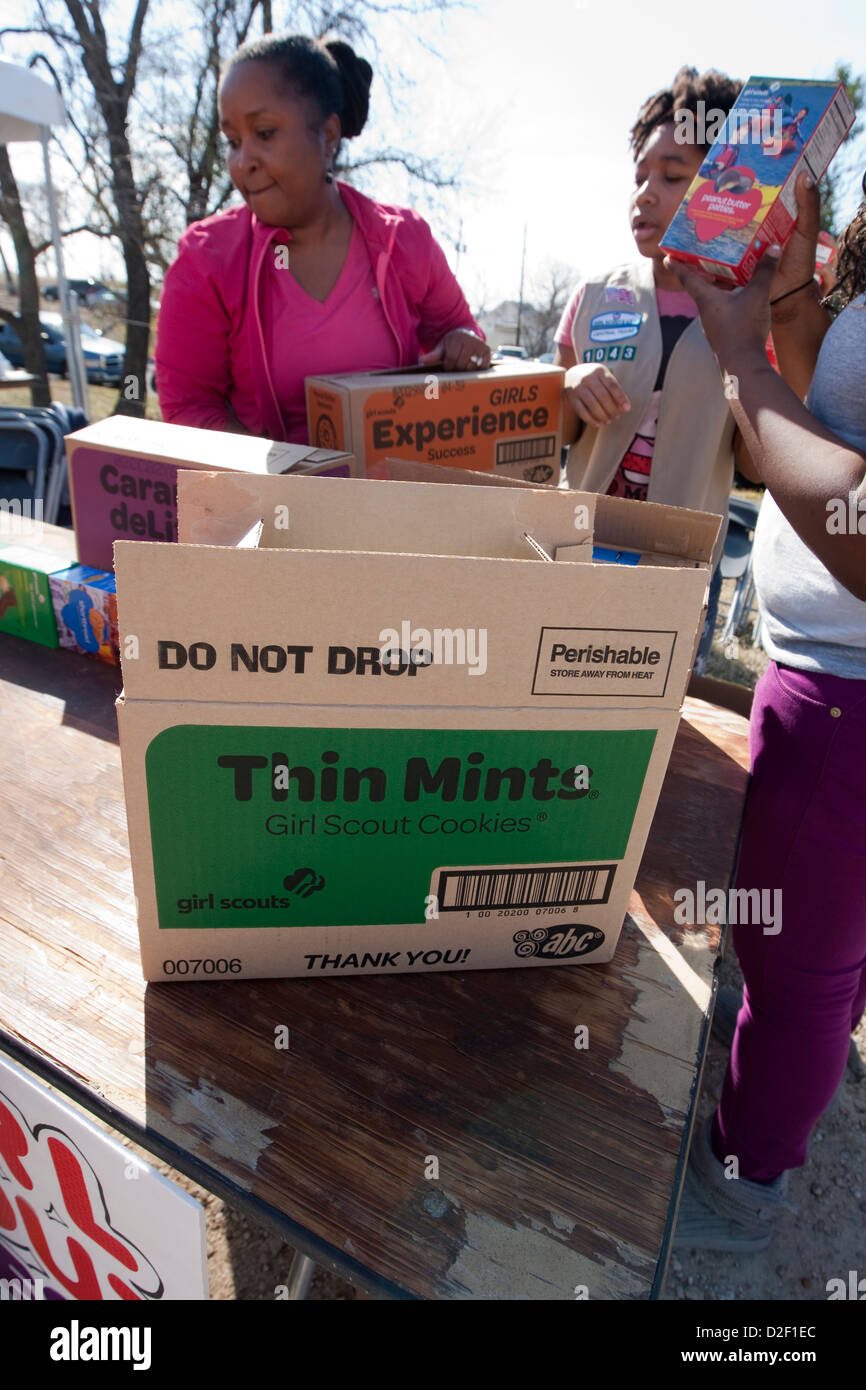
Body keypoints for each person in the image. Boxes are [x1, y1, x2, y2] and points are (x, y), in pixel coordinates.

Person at [670, 170, 866, 1251]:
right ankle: (802, 1076)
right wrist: (787, 308)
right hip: (839, 688)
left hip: (844, 703)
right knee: (828, 956)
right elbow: (828, 421)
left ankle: (738, 1184)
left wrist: (744, 358)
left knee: (788, 966)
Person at [155, 33, 489, 444]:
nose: (243, 163)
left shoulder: (404, 240)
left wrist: (465, 344)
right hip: (266, 504)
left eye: (264, 133)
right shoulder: (206, 259)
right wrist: (293, 482)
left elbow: (461, 335)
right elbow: (188, 408)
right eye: (233, 141)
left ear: (329, 136)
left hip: (398, 501)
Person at [554, 67, 760, 672]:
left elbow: (754, 467)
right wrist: (566, 385)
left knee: (648, 740)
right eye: (640, 175)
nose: (644, 192)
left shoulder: (751, 315)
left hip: (679, 579)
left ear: (728, 187)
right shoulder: (593, 298)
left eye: (672, 176)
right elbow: (554, 433)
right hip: (577, 555)